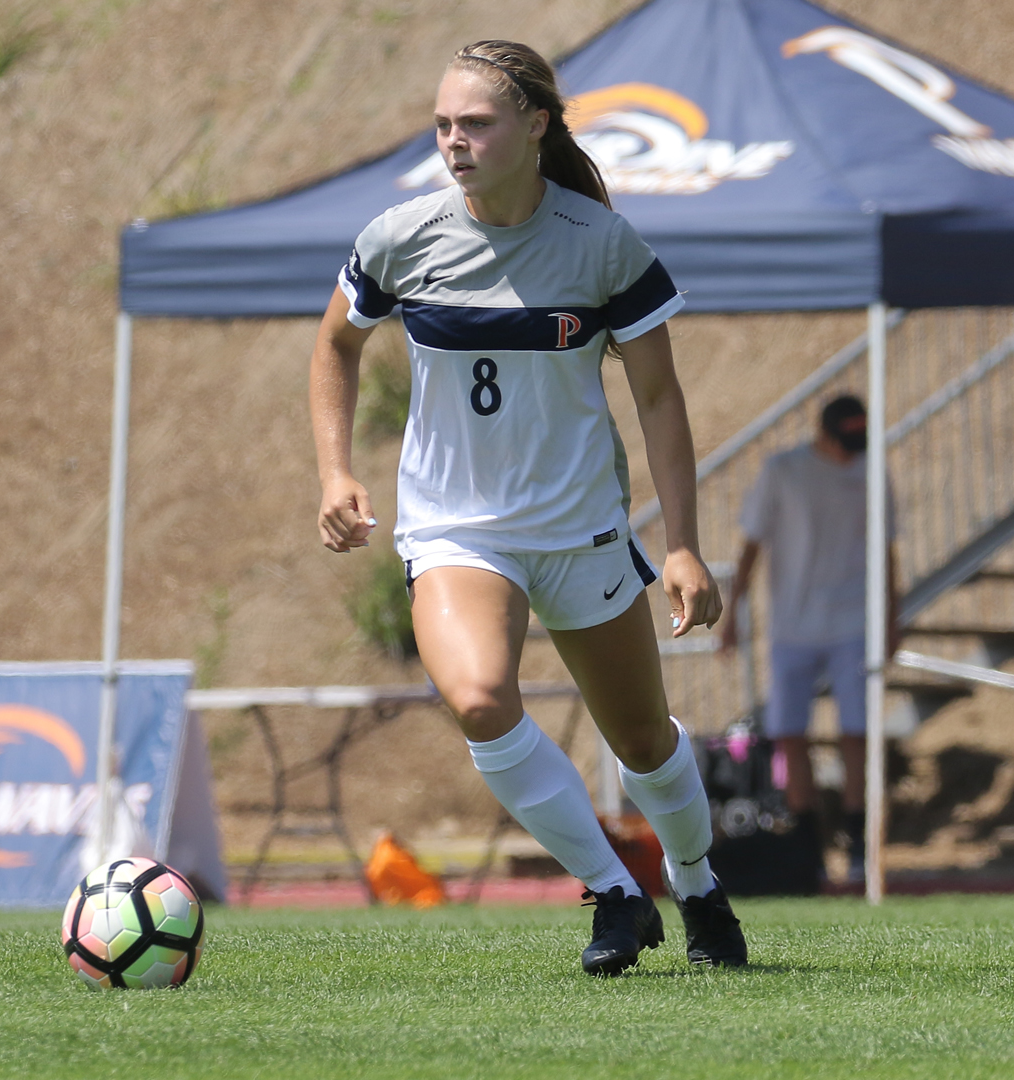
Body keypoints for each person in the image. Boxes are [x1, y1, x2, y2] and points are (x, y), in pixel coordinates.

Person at [308, 40, 745, 975]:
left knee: (642, 739)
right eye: (442, 126)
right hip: (457, 531)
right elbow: (335, 347)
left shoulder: (602, 244)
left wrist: (684, 545)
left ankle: (699, 884)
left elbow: (660, 399)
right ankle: (614, 892)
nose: (453, 143)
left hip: (583, 530)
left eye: (475, 124)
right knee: (477, 700)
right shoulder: (399, 237)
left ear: (536, 127)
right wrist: (335, 473)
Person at [717, 395, 897, 880]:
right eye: (844, 440)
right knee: (789, 734)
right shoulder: (783, 470)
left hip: (853, 622)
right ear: (824, 433)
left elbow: (887, 550)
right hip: (792, 624)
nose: (850, 451)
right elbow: (751, 545)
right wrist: (732, 611)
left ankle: (859, 844)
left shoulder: (872, 472)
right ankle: (810, 849)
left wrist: (892, 617)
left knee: (856, 733)